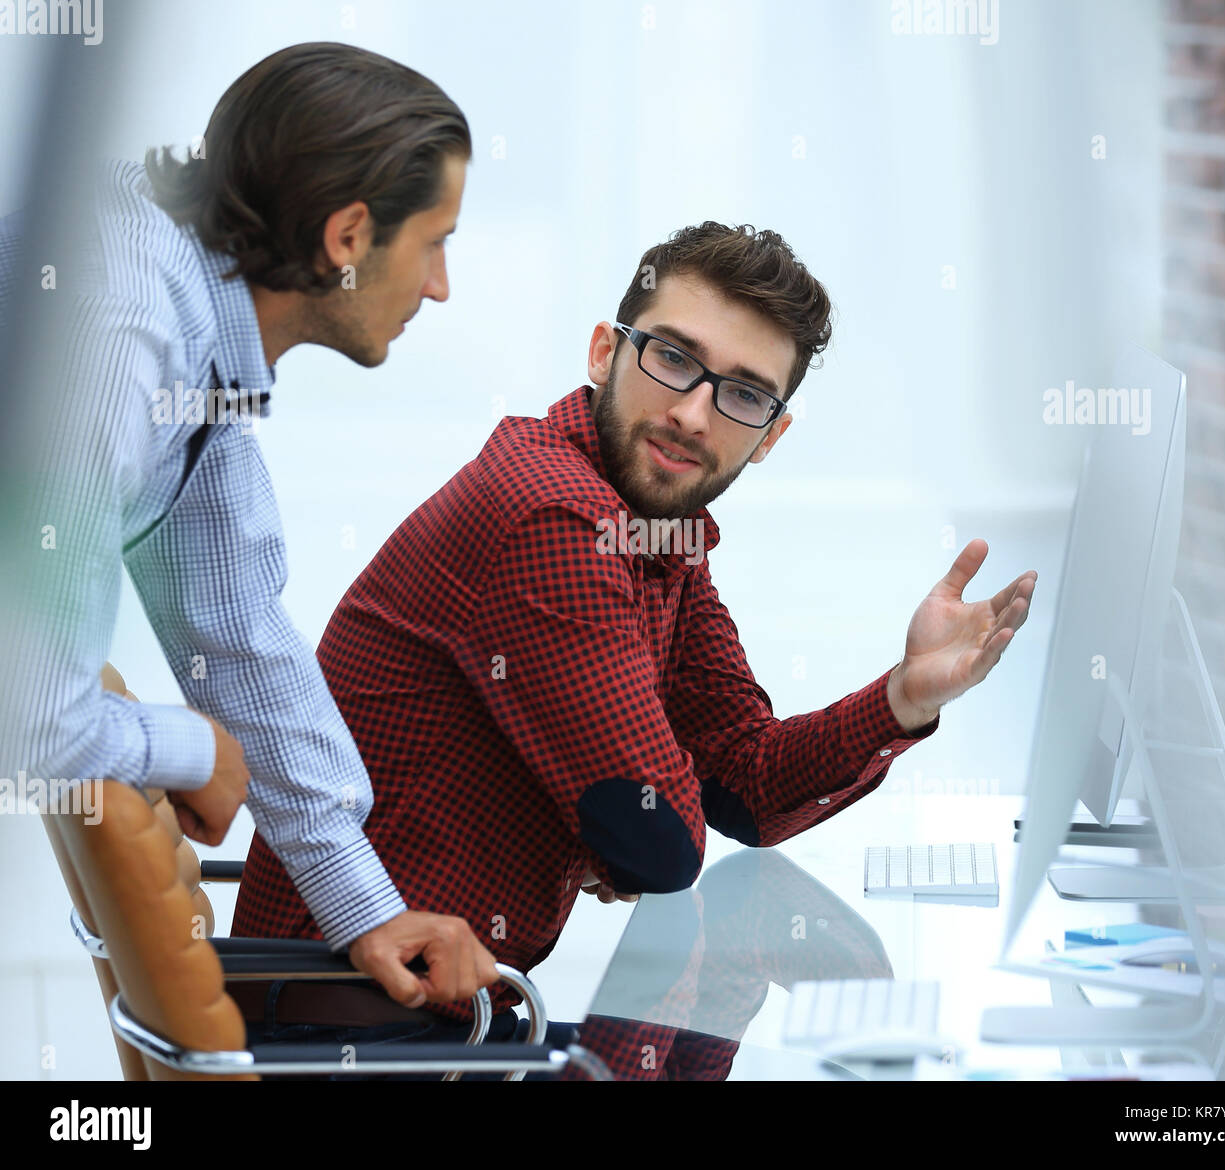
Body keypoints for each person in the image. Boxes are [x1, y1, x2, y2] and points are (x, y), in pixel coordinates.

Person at [231, 221, 1037, 1074]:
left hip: (449, 1029)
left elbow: (746, 786)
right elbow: (663, 839)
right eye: (674, 359)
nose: (693, 413)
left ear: (771, 436)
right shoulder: (555, 514)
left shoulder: (662, 535)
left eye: (743, 395)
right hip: (359, 1045)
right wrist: (612, 826)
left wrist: (906, 696)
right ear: (602, 353)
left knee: (743, 943)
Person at [0, 42, 498, 1011]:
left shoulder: (192, 321)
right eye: (435, 242)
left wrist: (367, 910)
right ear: (349, 237)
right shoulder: (125, 330)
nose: (440, 287)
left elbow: (238, 633)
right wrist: (191, 748)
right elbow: (31, 715)